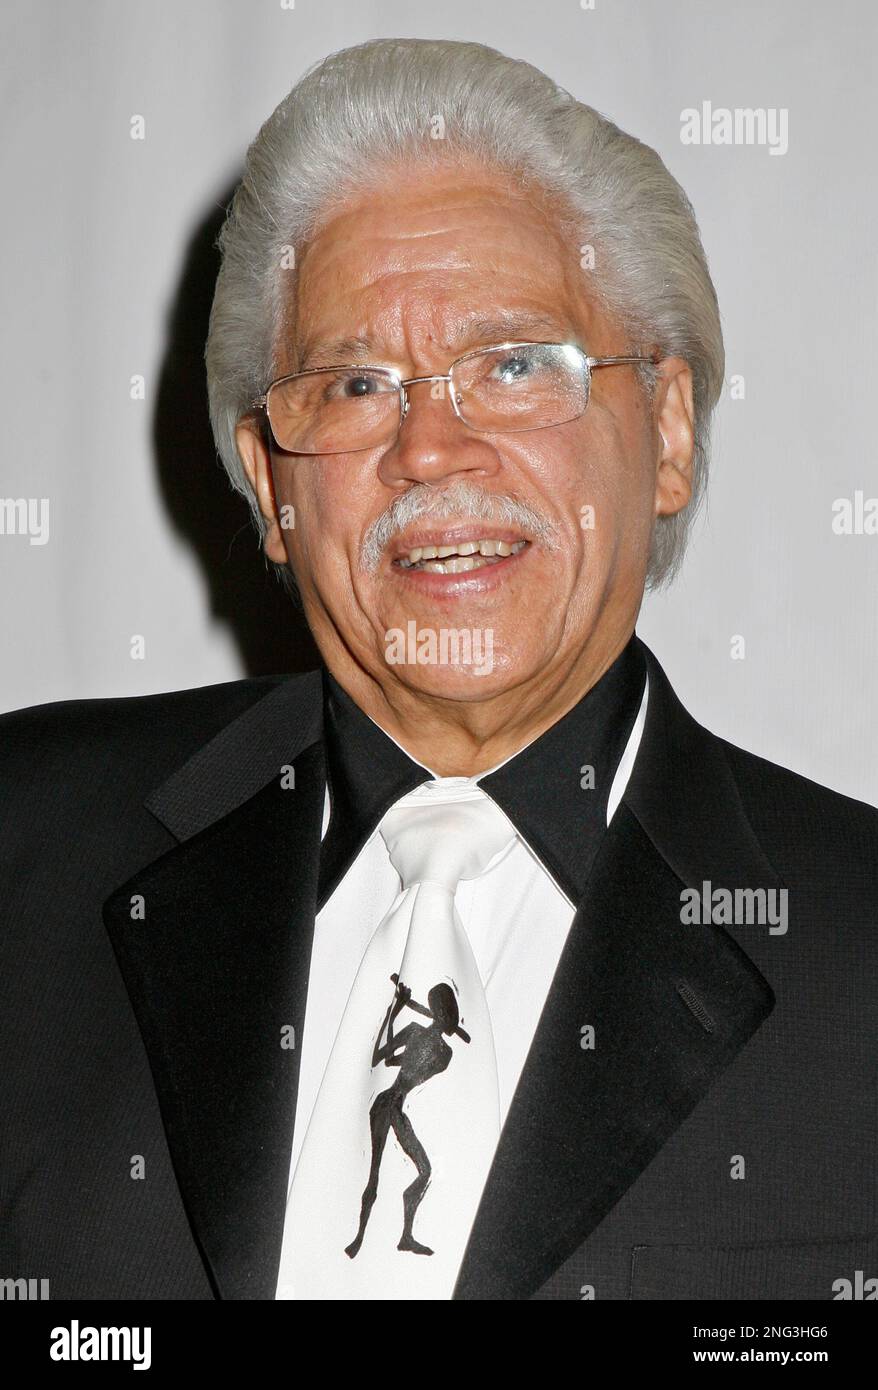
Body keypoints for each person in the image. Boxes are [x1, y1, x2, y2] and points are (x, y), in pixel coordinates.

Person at [1, 37, 875, 1302]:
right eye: (354, 382)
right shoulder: (26, 849)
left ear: (668, 430)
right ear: (268, 483)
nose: (427, 448)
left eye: (515, 365)